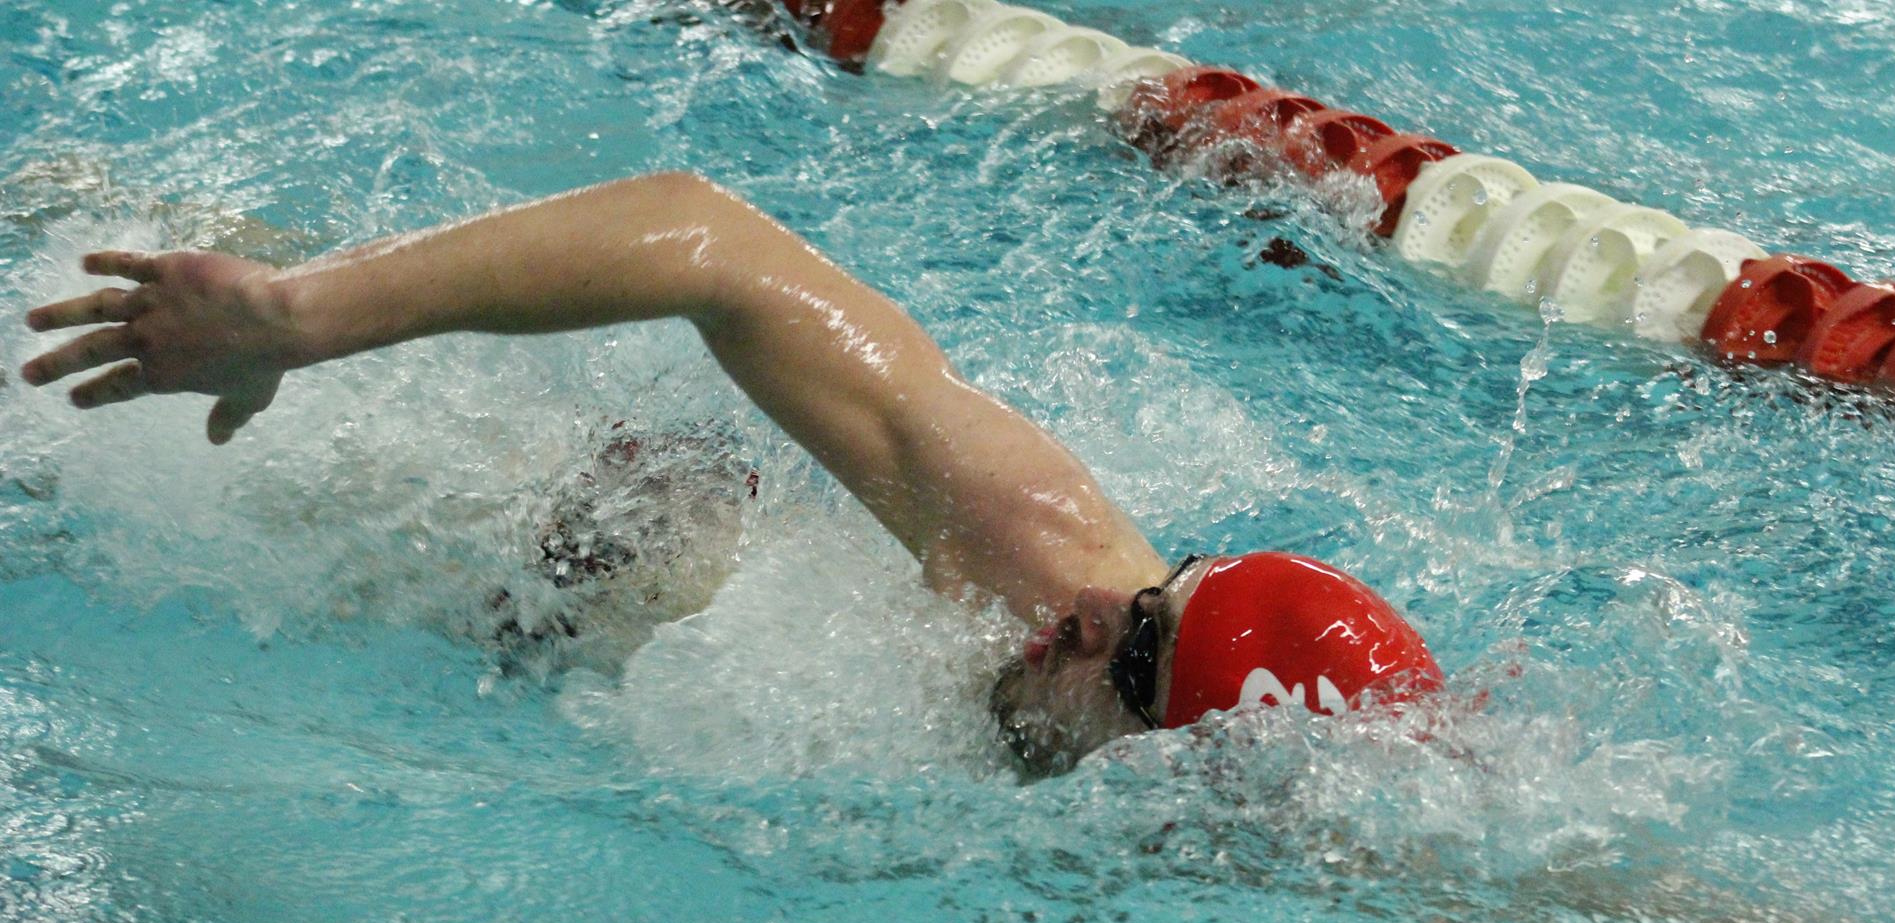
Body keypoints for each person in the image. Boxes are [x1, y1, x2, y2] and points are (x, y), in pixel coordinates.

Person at [18, 170, 1442, 771]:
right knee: (645, 538)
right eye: (1155, 593)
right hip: (575, 572)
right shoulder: (1044, 552)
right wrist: (296, 322)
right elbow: (707, 237)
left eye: (1136, 660)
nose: (1087, 614)